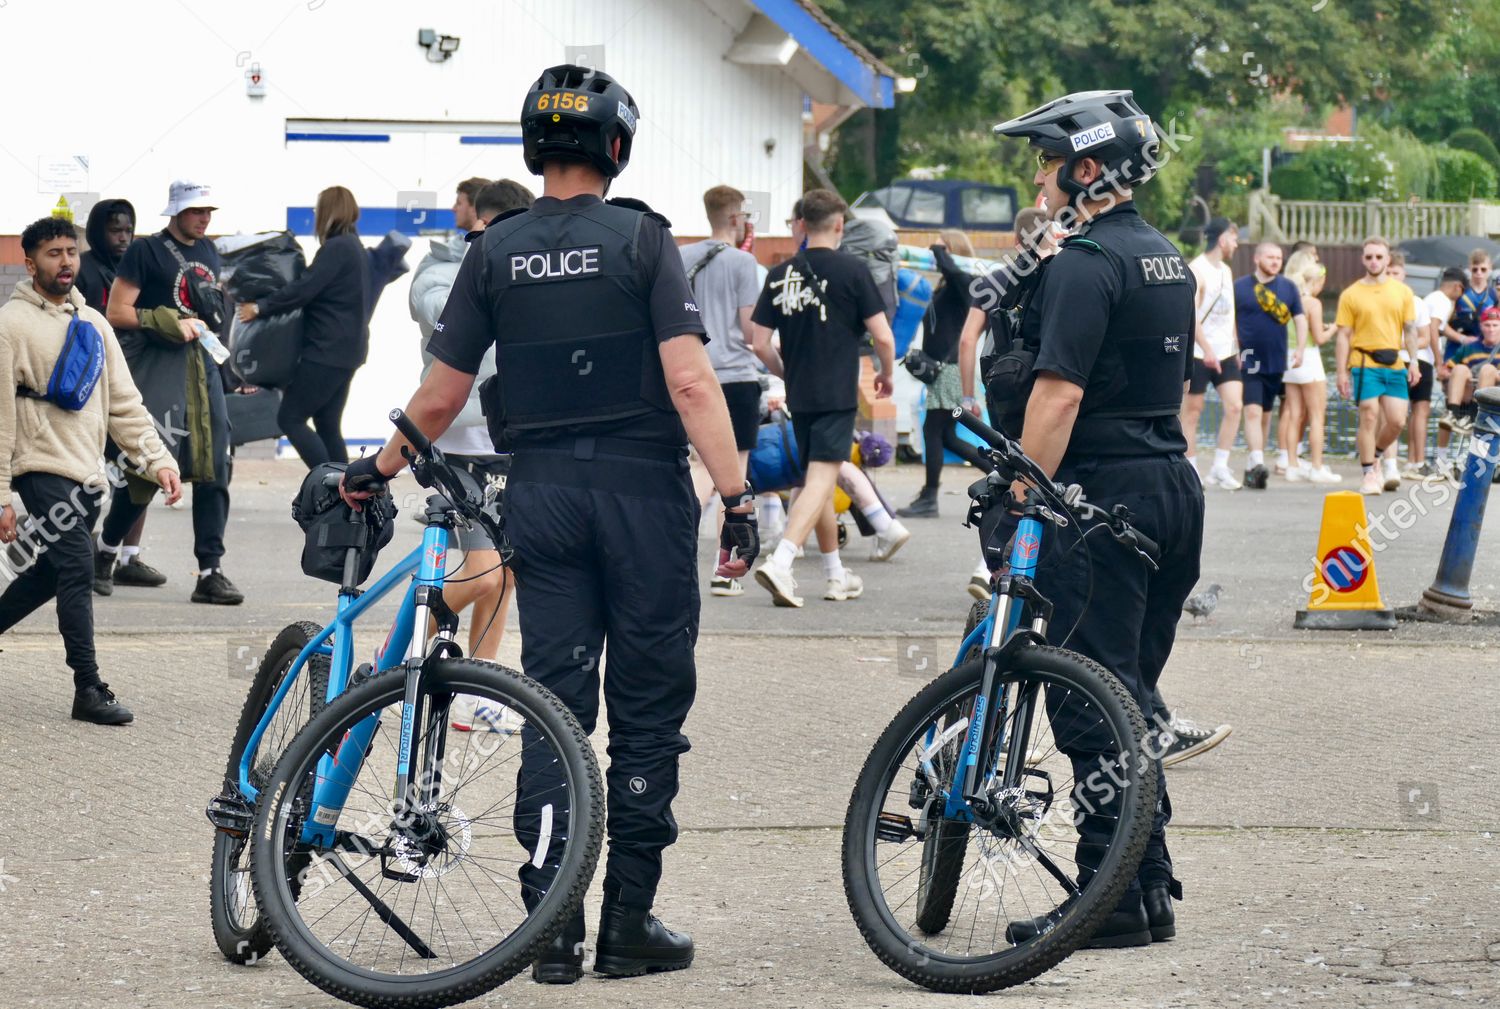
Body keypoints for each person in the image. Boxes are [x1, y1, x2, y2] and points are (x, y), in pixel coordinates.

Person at [339, 65, 757, 983]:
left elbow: (440, 397)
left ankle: (551, 930)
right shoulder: (646, 241)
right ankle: (628, 925)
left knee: (555, 704)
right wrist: (736, 496)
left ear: (535, 147)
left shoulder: (494, 250)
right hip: (644, 495)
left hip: (544, 495)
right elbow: (691, 382)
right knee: (648, 712)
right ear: (617, 145)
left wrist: (375, 468)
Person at [989, 90, 1203, 949]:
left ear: (1085, 170)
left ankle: (1103, 897)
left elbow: (1060, 390)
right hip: (1169, 487)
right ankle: (1144, 883)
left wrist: (1021, 490)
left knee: (1088, 700)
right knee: (1132, 692)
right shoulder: (1166, 256)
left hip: (1099, 494)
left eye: (1045, 162)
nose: (1038, 179)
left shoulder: (1082, 260)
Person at [0, 217, 182, 724]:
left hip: (87, 471)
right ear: (30, 260)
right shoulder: (10, 326)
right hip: (38, 468)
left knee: (50, 573)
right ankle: (88, 688)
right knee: (78, 566)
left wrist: (158, 460)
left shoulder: (95, 324)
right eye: (53, 253)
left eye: (71, 252)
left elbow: (125, 405)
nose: (66, 262)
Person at [409, 177, 533, 727]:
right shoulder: (441, 269)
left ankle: (479, 692)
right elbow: (438, 309)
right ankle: (404, 654)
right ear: (483, 225)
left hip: (510, 441)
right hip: (456, 445)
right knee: (483, 572)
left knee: (506, 574)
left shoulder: (531, 269)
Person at [748, 189, 897, 607]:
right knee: (820, 479)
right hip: (835, 392)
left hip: (800, 396)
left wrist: (785, 372)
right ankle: (782, 561)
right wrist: (886, 375)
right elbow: (883, 336)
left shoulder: (779, 275)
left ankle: (835, 575)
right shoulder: (853, 270)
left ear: (801, 225)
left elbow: (759, 343)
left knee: (815, 478)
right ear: (839, 225)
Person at [101, 180, 243, 604]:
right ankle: (105, 552)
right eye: (197, 211)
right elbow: (116, 311)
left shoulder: (210, 251)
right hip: (159, 368)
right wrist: (167, 321)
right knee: (144, 467)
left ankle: (210, 571)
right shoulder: (146, 251)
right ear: (176, 212)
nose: (204, 219)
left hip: (202, 370)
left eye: (208, 212)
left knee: (216, 465)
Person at [680, 185, 779, 594]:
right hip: (736, 379)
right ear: (737, 218)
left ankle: (676, 540)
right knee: (732, 476)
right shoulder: (742, 263)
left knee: (695, 466)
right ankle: (727, 569)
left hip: (691, 374)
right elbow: (753, 334)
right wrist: (782, 368)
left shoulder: (682, 256)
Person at [957, 206, 1054, 600]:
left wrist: (968, 395)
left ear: (1015, 241)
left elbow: (967, 341)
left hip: (1002, 392)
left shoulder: (994, 280)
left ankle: (992, 559)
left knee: (1008, 472)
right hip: (1047, 389)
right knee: (1042, 479)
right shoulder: (1060, 275)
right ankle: (1018, 563)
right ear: (1052, 237)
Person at [237, 185, 371, 468]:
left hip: (326, 350)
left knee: (290, 417)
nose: (315, 214)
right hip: (348, 351)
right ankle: (346, 494)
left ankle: (330, 486)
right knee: (327, 423)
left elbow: (304, 289)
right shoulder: (354, 247)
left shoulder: (337, 248)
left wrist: (260, 307)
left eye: (318, 209)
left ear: (328, 211)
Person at [76, 199, 165, 589]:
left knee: (140, 471)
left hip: (130, 384)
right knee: (89, 479)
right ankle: (84, 557)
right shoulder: (81, 269)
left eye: (129, 230)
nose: (124, 238)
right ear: (98, 230)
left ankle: (125, 556)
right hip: (86, 391)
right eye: (116, 230)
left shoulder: (134, 268)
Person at [898, 228, 989, 519]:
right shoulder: (947, 284)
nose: (934, 255)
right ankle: (999, 473)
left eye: (940, 250)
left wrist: (941, 251)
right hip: (944, 369)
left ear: (952, 252)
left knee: (933, 431)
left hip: (949, 369)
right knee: (947, 436)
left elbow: (955, 272)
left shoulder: (966, 282)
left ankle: (929, 497)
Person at [1333, 236, 1420, 496]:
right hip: (1363, 360)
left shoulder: (1402, 292)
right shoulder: (1351, 293)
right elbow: (1343, 335)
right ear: (1363, 259)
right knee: (1369, 413)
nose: (1374, 261)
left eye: (1379, 257)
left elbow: (1410, 330)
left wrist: (1414, 362)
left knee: (1396, 421)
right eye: (1369, 257)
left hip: (1393, 361)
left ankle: (1377, 454)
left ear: (1387, 259)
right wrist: (1341, 372)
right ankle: (1368, 472)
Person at [1233, 242, 1306, 489]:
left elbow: (1300, 318)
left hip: (1276, 358)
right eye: (1270, 257)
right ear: (1257, 259)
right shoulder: (1241, 287)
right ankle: (1257, 461)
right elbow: (1230, 319)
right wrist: (1234, 347)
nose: (1276, 261)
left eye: (1279, 258)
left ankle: (1253, 467)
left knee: (1265, 414)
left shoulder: (1288, 287)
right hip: (1250, 357)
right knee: (1252, 411)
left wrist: (1301, 348)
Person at [1182, 217, 1244, 488]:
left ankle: (1219, 466)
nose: (1236, 244)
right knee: (1193, 411)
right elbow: (1190, 315)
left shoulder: (1227, 271)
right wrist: (1206, 349)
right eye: (1233, 238)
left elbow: (1229, 313)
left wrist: (1235, 346)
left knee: (1235, 406)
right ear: (1222, 239)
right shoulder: (1197, 269)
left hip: (1225, 351)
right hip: (1198, 351)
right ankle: (1192, 468)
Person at [1280, 252, 1341, 483]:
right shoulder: (1312, 303)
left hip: (1289, 359)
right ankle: (1317, 466)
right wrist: (1335, 327)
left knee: (1294, 414)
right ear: (1316, 281)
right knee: (1317, 416)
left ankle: (1292, 465)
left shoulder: (1288, 300)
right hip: (1310, 358)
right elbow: (1320, 338)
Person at [1385, 252, 1434, 478]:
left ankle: (1417, 461)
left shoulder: (1416, 302)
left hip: (1419, 359)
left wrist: (1404, 344)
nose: (1392, 276)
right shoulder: (1381, 300)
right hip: (1393, 360)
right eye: (1388, 272)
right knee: (1396, 413)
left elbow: (1424, 337)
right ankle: (1390, 460)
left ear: (1404, 274)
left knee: (1421, 410)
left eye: (1396, 272)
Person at [1431, 267, 1472, 469]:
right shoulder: (1443, 301)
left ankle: (1444, 460)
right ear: (1458, 287)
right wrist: (1439, 363)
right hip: (1435, 359)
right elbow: (1435, 328)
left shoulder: (1434, 298)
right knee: (1448, 411)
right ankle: (1442, 459)